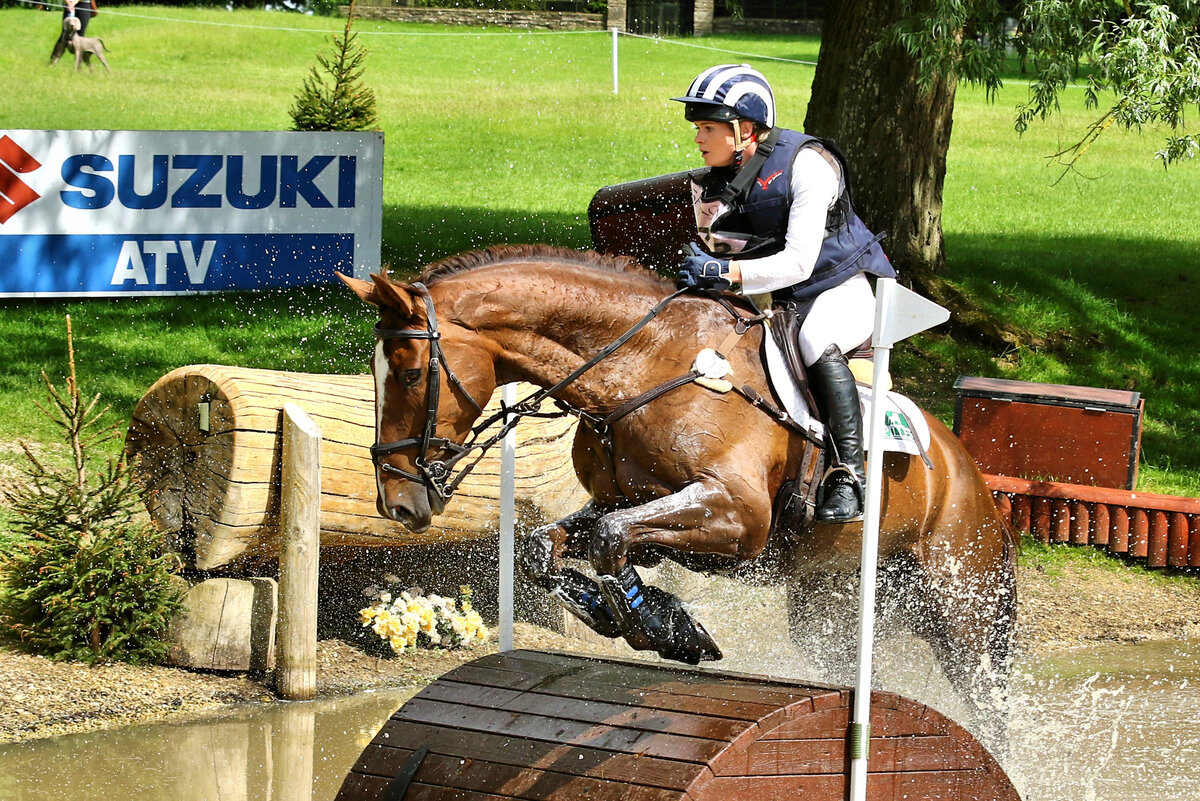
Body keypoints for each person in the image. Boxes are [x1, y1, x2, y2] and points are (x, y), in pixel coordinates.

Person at [673, 64, 896, 523]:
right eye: (698, 128)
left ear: (745, 129)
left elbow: (798, 262)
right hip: (776, 299)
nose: (699, 139)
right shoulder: (720, 173)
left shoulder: (807, 166)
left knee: (816, 339)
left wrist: (724, 271)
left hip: (838, 289)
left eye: (708, 128)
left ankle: (848, 476)